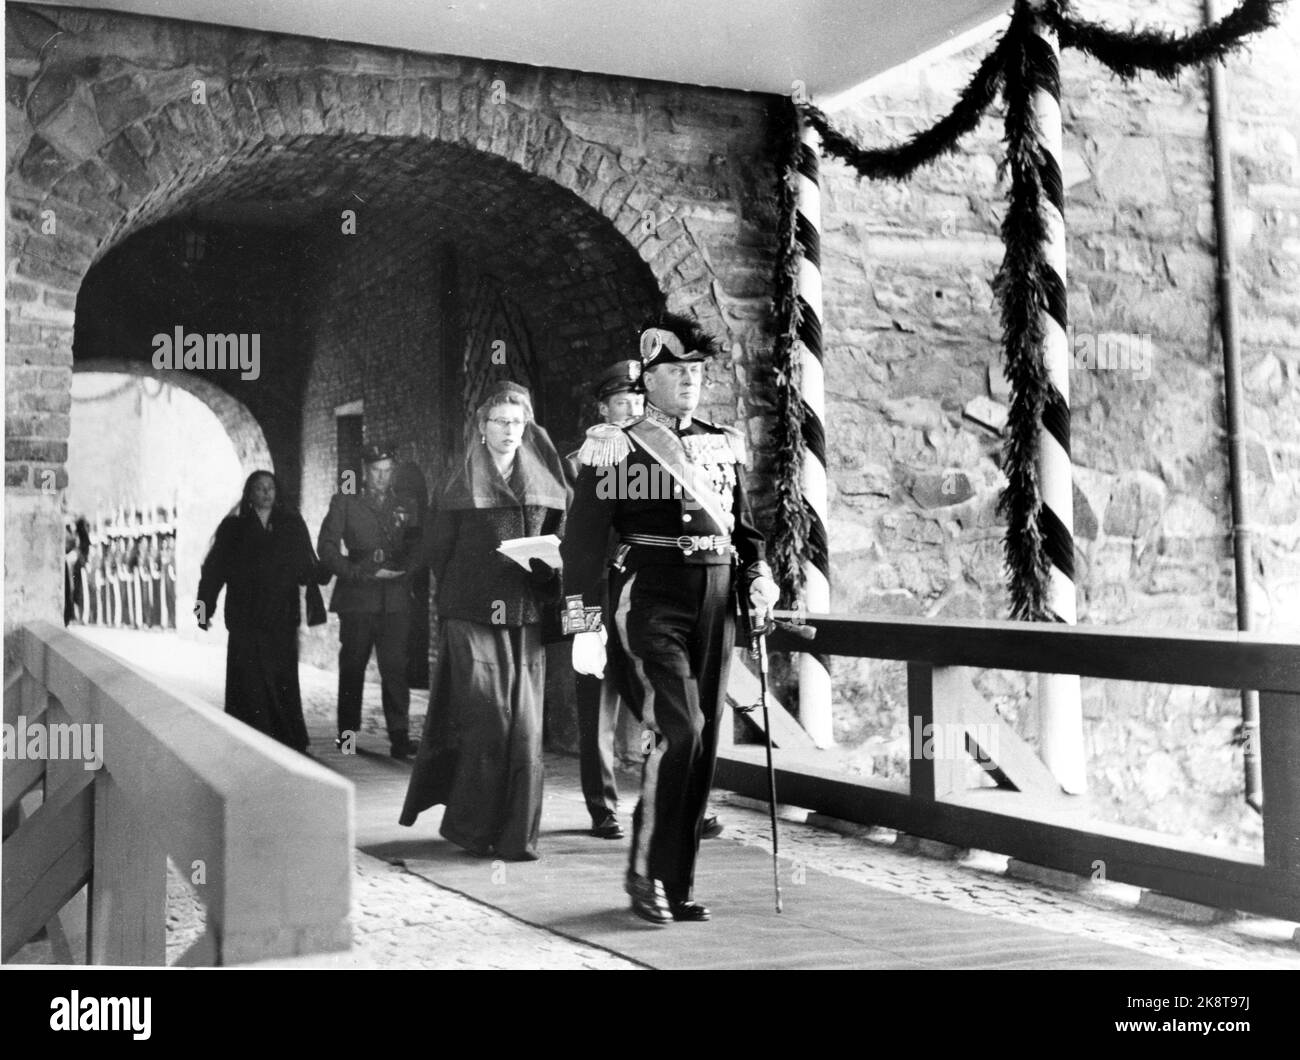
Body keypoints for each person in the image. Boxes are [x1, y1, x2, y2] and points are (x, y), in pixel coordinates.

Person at [561, 314, 779, 924]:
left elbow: (746, 529)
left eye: (696, 372)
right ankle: (644, 872)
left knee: (704, 743)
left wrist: (758, 576)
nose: (688, 381)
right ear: (647, 378)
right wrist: (584, 624)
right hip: (651, 600)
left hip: (716, 601)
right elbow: (582, 548)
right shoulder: (614, 446)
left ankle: (675, 883)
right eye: (675, 372)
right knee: (679, 729)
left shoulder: (720, 441)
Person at [400, 382, 568, 861]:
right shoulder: (458, 481)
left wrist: (548, 568)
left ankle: (516, 835)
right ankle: (473, 828)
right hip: (471, 613)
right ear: (482, 426)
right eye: (500, 421)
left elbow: (561, 542)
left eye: (518, 422)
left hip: (526, 614)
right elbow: (437, 552)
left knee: (527, 727)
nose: (510, 430)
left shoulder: (546, 479)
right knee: (489, 718)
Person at [562, 361, 643, 840]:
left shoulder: (659, 461)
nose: (631, 409)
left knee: (662, 699)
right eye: (621, 402)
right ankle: (603, 808)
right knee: (595, 704)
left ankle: (672, 800)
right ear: (602, 409)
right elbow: (576, 547)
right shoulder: (579, 464)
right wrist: (580, 619)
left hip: (643, 596)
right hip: (596, 595)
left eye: (637, 401)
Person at [196, 470, 322, 752]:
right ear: (249, 494)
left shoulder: (291, 525)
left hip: (281, 615)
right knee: (249, 679)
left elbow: (306, 565)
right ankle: (250, 735)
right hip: (246, 617)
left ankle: (286, 736)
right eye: (259, 488)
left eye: (270, 488)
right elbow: (214, 569)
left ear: (276, 493)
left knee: (282, 677)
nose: (266, 492)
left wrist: (319, 573)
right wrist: (204, 608)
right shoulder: (233, 528)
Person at [317, 444, 423, 758]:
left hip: (394, 597)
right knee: (352, 666)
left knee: (394, 668)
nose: (381, 476)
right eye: (376, 470)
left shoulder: (406, 503)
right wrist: (355, 572)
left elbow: (418, 545)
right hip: (357, 597)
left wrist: (404, 571)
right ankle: (347, 735)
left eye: (387, 470)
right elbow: (327, 547)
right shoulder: (345, 501)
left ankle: (400, 738)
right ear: (365, 471)